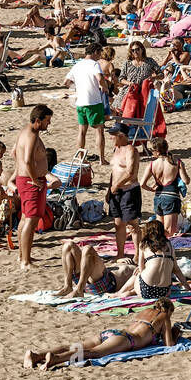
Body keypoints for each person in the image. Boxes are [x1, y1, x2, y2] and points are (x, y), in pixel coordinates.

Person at [23, 299, 174, 370]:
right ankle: (56, 359)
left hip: (113, 332)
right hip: (126, 340)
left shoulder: (145, 311)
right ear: (168, 311)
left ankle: (36, 355)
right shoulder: (164, 316)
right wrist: (175, 332)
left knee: (73, 345)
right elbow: (169, 344)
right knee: (93, 353)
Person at [13, 105, 53, 269]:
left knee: (25, 218)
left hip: (24, 179)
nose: (48, 124)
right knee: (31, 220)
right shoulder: (32, 136)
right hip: (30, 182)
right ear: (38, 120)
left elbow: (14, 152)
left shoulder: (25, 132)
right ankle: (25, 261)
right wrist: (35, 179)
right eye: (47, 121)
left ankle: (23, 256)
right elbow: (28, 160)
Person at [65, 42, 108, 162]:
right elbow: (100, 78)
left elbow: (66, 82)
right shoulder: (94, 64)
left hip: (80, 102)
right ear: (95, 52)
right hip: (93, 101)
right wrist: (104, 87)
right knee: (99, 130)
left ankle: (81, 158)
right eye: (99, 53)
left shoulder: (77, 65)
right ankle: (102, 159)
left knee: (82, 131)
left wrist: (77, 87)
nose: (100, 56)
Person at [104, 123, 142, 259]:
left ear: (121, 136)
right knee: (118, 224)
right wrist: (110, 190)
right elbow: (114, 173)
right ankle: (120, 254)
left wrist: (117, 185)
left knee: (133, 224)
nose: (111, 139)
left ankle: (137, 255)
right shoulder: (116, 150)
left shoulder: (131, 149)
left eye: (113, 136)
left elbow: (130, 172)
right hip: (116, 192)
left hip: (129, 191)